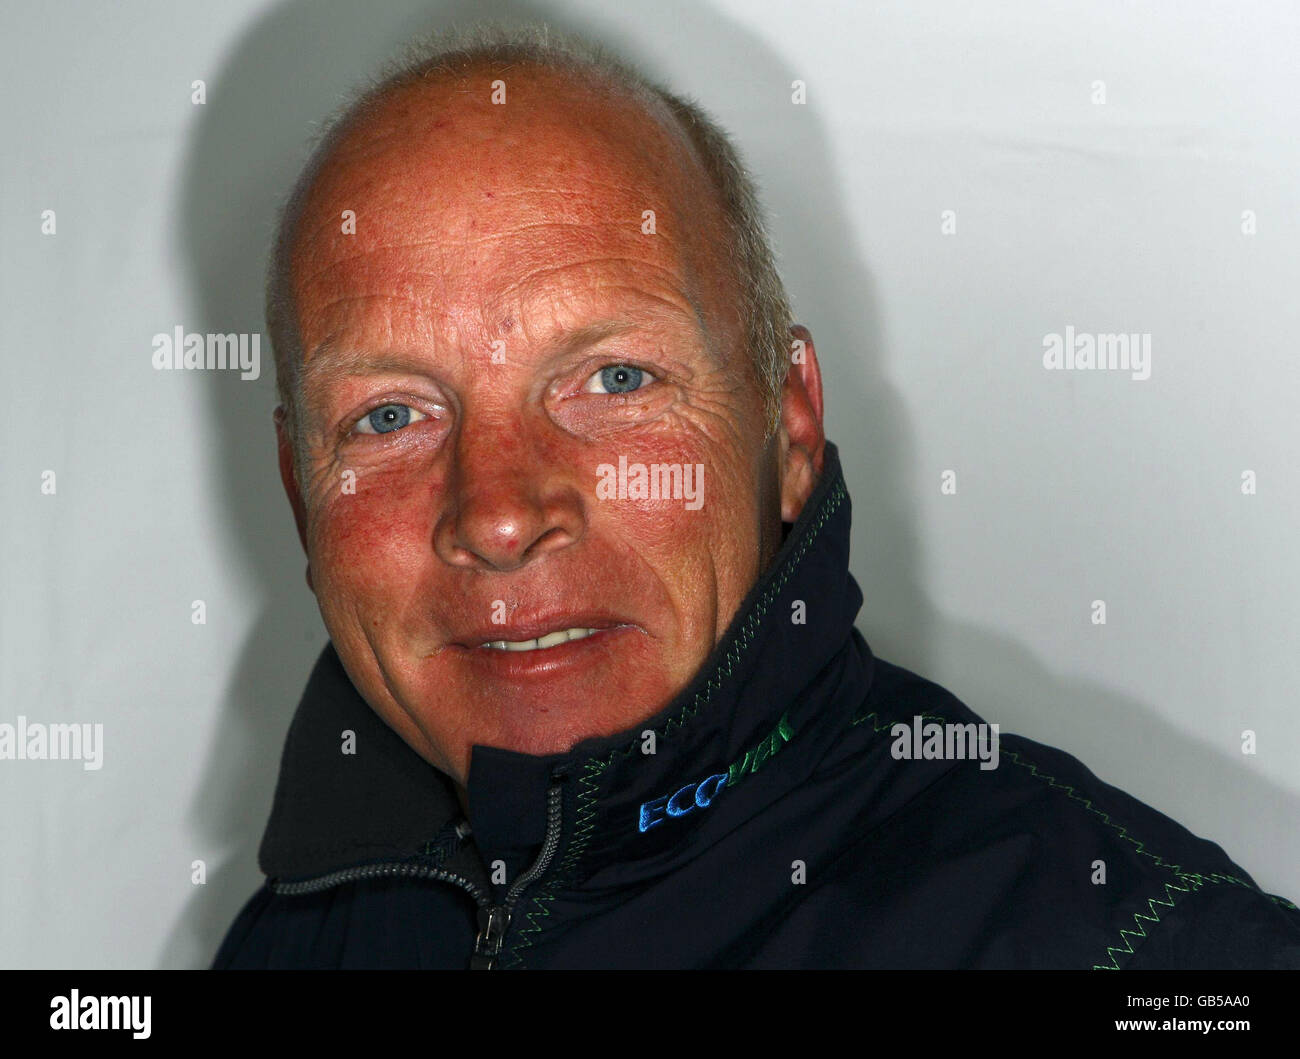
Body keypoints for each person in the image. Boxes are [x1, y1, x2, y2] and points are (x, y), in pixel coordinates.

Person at [213, 26, 1300, 969]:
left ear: (788, 427)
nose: (498, 516)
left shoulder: (1149, 952)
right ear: (302, 498)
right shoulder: (292, 934)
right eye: (389, 416)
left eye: (615, 378)